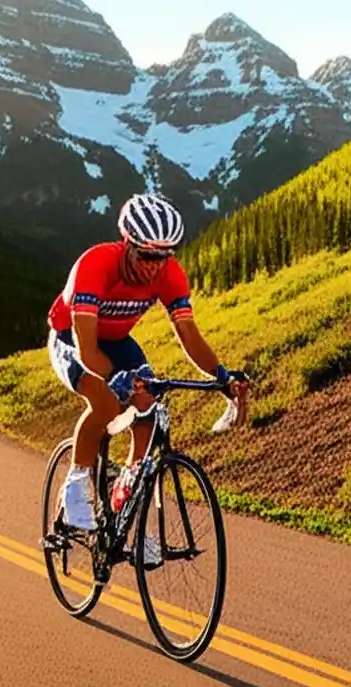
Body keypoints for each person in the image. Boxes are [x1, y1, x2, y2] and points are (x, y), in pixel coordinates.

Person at [46, 193, 247, 565]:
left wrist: (222, 377)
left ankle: (125, 508)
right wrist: (116, 378)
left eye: (164, 256)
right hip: (72, 339)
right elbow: (87, 350)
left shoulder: (169, 274)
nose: (155, 266)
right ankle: (75, 487)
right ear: (128, 245)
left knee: (150, 413)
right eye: (148, 256)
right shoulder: (95, 265)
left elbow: (189, 336)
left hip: (119, 341)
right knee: (105, 400)